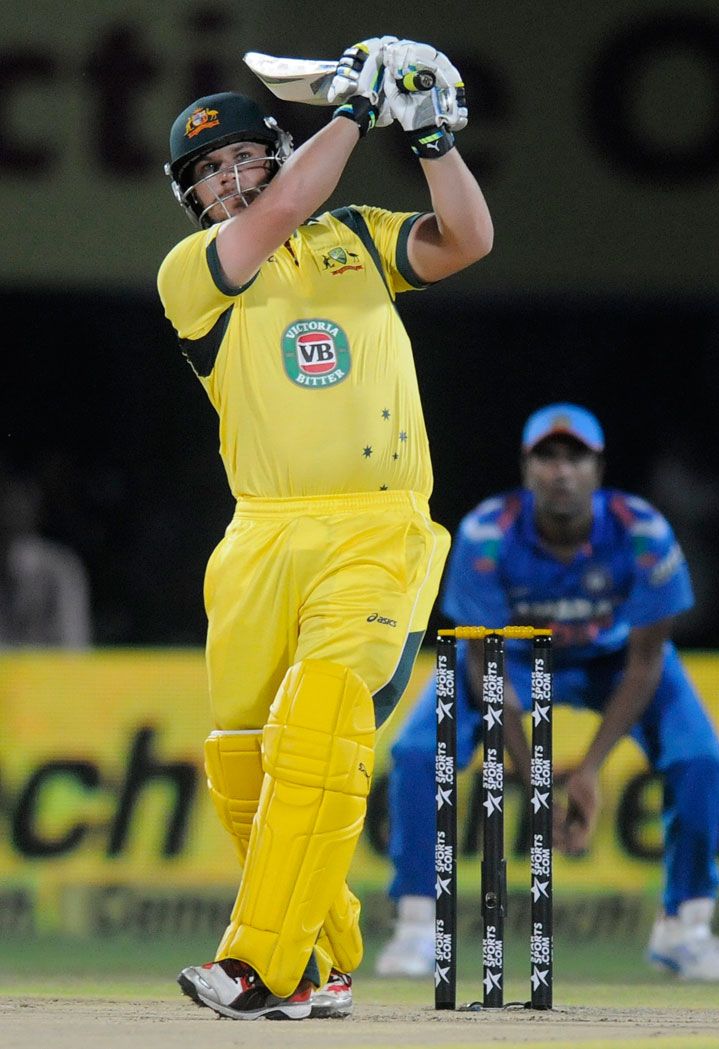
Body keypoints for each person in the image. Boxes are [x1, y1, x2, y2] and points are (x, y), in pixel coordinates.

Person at [156, 36, 491, 1021]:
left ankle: (258, 962)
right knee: (243, 766)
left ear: (273, 147)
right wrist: (353, 109)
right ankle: (321, 961)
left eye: (239, 158)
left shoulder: (358, 238)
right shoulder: (194, 272)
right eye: (205, 172)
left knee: (322, 715)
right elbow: (284, 208)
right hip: (260, 538)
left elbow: (465, 238)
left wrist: (429, 134)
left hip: (376, 528)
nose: (226, 180)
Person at [377, 403, 719, 982]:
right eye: (547, 457)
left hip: (614, 658)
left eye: (576, 457)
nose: (562, 471)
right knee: (417, 753)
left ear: (598, 468)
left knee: (699, 759)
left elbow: (647, 662)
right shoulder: (485, 535)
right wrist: (533, 779)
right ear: (526, 469)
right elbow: (481, 659)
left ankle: (686, 928)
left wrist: (590, 769)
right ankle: (419, 925)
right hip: (511, 659)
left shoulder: (641, 531)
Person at [0, 464, 91, 649]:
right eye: (6, 496)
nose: (13, 507)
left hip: (49, 674)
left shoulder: (61, 568)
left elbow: (74, 645)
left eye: (23, 497)